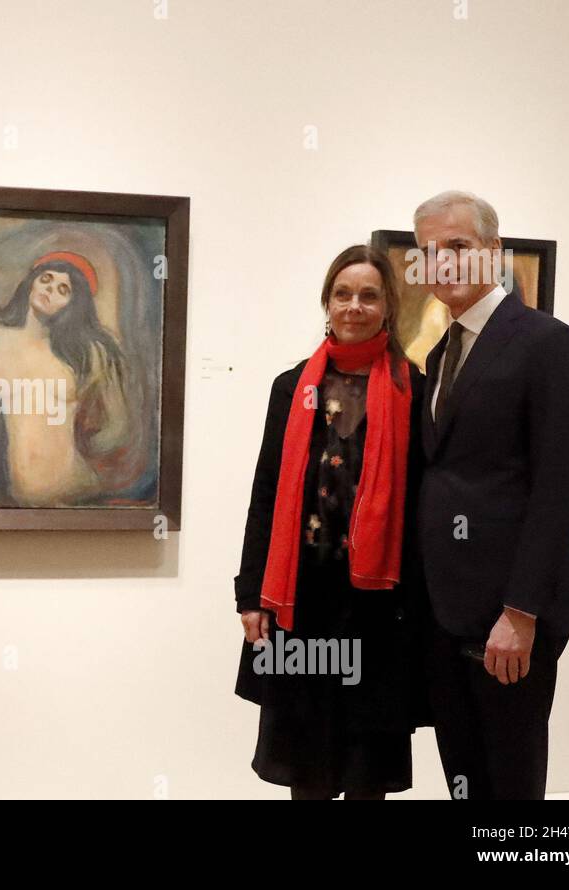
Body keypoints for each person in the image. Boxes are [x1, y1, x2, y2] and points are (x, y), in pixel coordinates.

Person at [413, 190, 569, 800]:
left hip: (509, 614)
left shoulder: (548, 342)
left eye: (458, 247)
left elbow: (561, 487)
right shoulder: (439, 354)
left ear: (494, 251)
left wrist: (520, 612)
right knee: (464, 779)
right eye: (429, 252)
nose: (444, 263)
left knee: (511, 786)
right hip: (445, 611)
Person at [234, 244, 429, 799]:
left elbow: (422, 506)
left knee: (368, 768)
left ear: (388, 306)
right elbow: (265, 495)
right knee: (308, 764)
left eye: (369, 295)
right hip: (303, 599)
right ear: (327, 301)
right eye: (343, 294)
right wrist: (251, 596)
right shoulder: (291, 388)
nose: (354, 306)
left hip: (379, 606)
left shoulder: (413, 389)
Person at [0, 251, 134, 505]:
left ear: (73, 304)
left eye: (63, 289)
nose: (50, 289)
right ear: (31, 281)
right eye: (46, 278)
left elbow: (115, 428)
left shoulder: (83, 354)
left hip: (73, 490)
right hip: (12, 494)